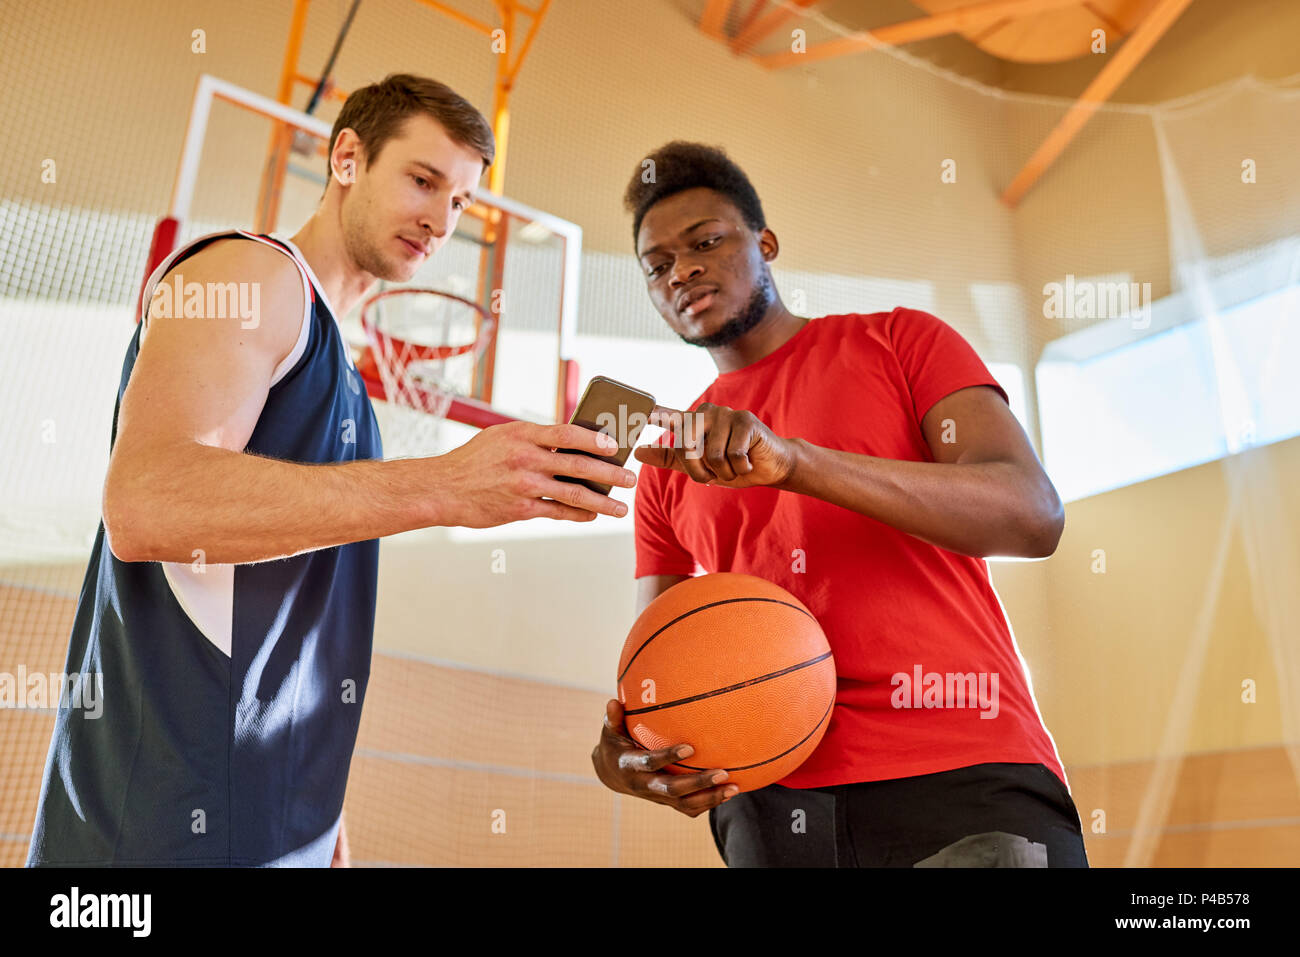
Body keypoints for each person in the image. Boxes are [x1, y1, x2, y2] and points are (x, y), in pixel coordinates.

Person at [27, 74, 636, 867]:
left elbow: (292, 616)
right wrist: (446, 483)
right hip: (167, 824)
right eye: (422, 180)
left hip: (279, 818)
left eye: (459, 203)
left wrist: (315, 804)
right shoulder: (247, 277)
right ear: (346, 156)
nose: (440, 219)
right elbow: (147, 502)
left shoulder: (346, 382)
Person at [591, 141, 1087, 868]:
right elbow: (654, 663)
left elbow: (1032, 513)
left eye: (705, 242)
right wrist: (627, 754)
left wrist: (796, 463)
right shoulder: (670, 465)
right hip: (765, 803)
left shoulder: (900, 341)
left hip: (960, 770)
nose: (682, 270)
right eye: (657, 265)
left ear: (765, 244)